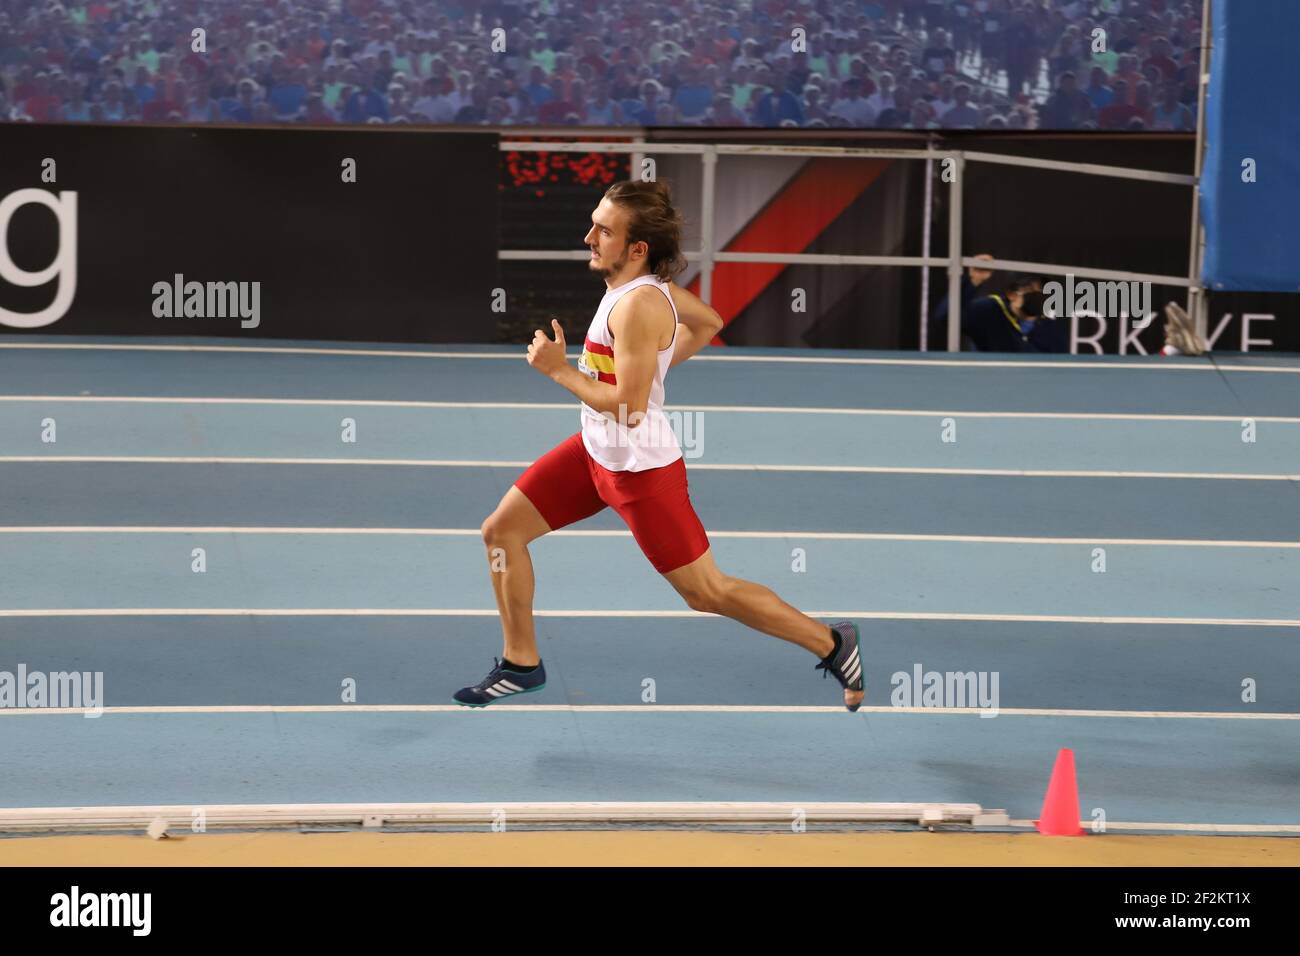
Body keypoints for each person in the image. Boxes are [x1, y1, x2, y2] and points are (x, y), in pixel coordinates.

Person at [454, 179, 864, 711]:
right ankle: (521, 663)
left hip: (641, 473)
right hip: (594, 453)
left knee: (706, 593)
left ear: (637, 248)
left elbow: (629, 406)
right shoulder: (642, 292)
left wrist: (557, 371)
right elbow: (710, 323)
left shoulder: (638, 306)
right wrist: (657, 361)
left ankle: (832, 643)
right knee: (501, 532)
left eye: (603, 230)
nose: (589, 237)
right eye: (594, 224)